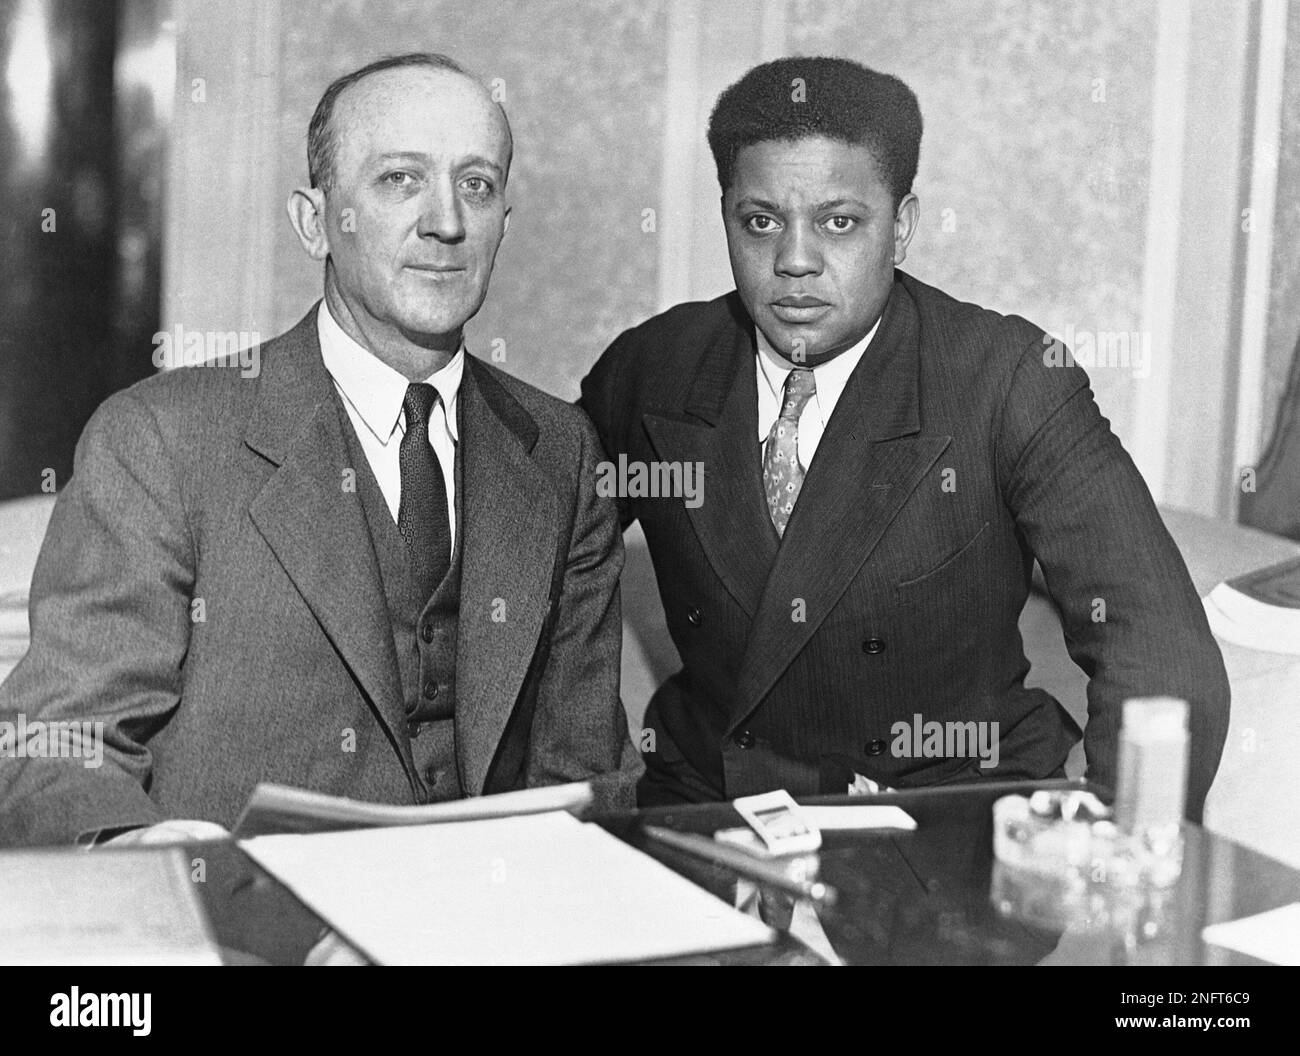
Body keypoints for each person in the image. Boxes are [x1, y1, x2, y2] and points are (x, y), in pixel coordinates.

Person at [0, 52, 637, 847]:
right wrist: (148, 857)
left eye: (476, 184)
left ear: (504, 219)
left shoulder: (560, 451)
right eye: (400, 179)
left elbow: (583, 774)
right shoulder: (161, 439)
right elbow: (56, 742)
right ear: (314, 222)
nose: (446, 221)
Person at [580, 56, 1229, 819]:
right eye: (760, 221)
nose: (794, 260)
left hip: (945, 822)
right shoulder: (655, 366)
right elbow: (530, 545)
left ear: (904, 228)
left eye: (838, 222)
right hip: (706, 811)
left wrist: (1103, 859)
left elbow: (1161, 655)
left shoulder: (1007, 379)